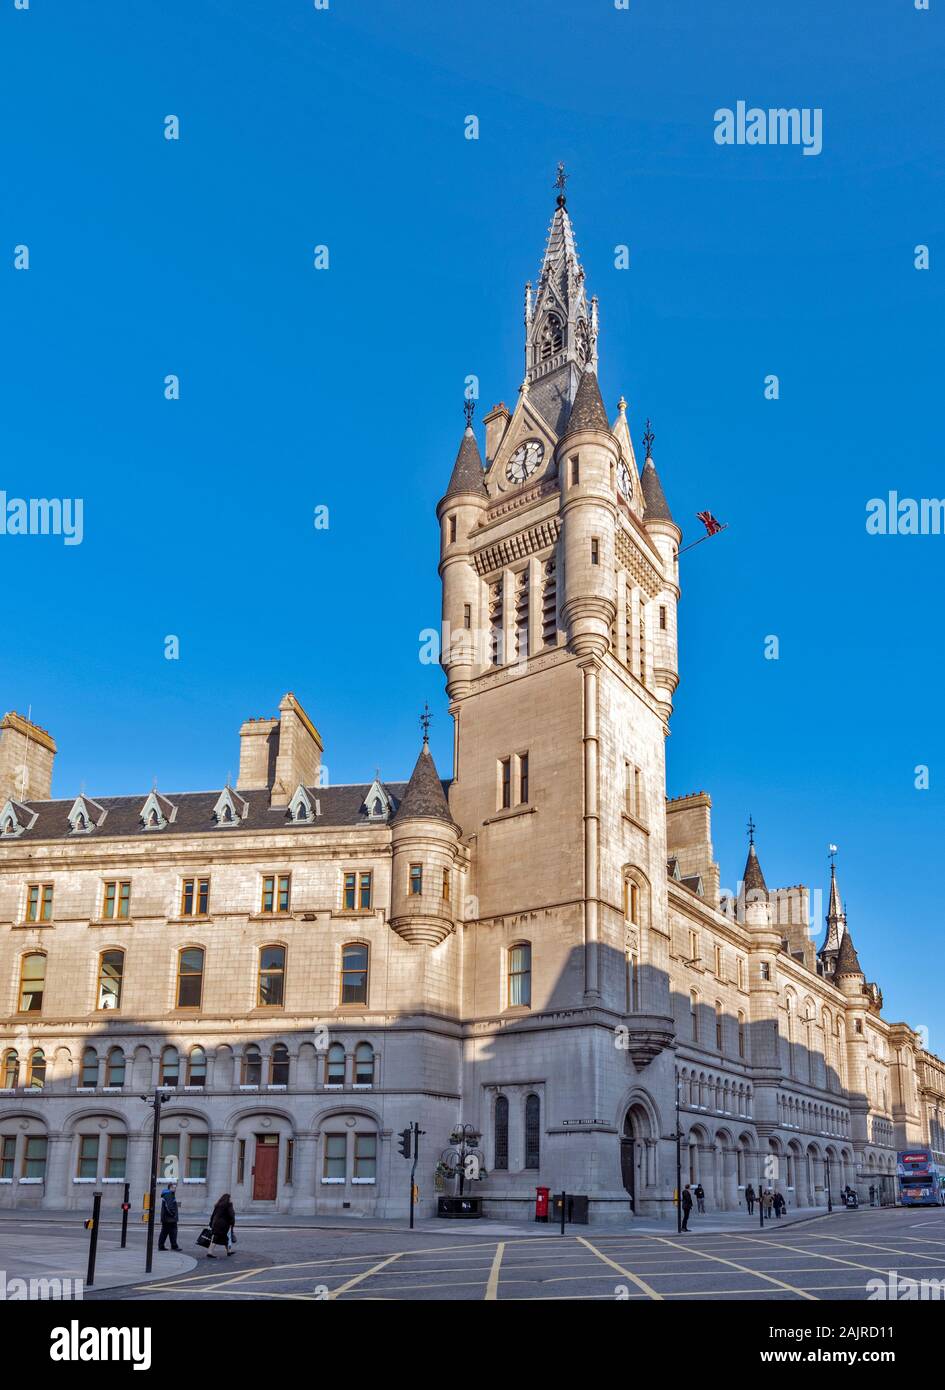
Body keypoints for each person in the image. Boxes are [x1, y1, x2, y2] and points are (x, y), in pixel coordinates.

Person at [207, 1192, 236, 1258]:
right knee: (216, 1238)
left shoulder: (218, 1205)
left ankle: (229, 1251)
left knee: (224, 1238)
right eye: (230, 1198)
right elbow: (231, 1215)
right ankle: (210, 1252)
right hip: (224, 1225)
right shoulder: (229, 1205)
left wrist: (211, 1223)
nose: (231, 1199)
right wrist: (232, 1223)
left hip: (216, 1224)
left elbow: (213, 1215)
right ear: (228, 1199)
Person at [158, 1182, 180, 1251]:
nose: (175, 1189)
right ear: (170, 1188)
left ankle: (161, 1246)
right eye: (173, 1187)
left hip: (167, 1218)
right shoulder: (169, 1195)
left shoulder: (167, 1194)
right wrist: (173, 1214)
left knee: (165, 1232)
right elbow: (169, 1207)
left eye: (175, 1187)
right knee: (173, 1231)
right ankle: (174, 1246)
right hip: (170, 1218)